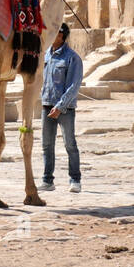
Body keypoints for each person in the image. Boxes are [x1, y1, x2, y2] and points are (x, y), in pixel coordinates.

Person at [39, 22, 84, 193]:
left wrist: (60, 106)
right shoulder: (46, 56)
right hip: (46, 105)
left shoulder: (72, 58)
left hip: (65, 109)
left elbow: (73, 85)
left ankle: (75, 179)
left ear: (61, 36)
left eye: (54, 33)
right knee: (47, 145)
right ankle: (47, 180)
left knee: (70, 144)